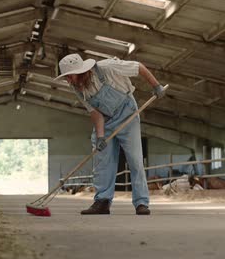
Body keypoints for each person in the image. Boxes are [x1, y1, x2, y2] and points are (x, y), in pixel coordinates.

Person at [55, 54, 166, 215]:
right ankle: (102, 201)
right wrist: (100, 137)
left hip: (127, 113)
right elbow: (94, 112)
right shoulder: (77, 87)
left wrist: (156, 86)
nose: (68, 81)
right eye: (66, 78)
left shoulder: (107, 68)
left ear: (81, 72)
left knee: (135, 159)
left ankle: (141, 202)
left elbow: (139, 67)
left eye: (70, 77)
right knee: (102, 161)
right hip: (105, 120)